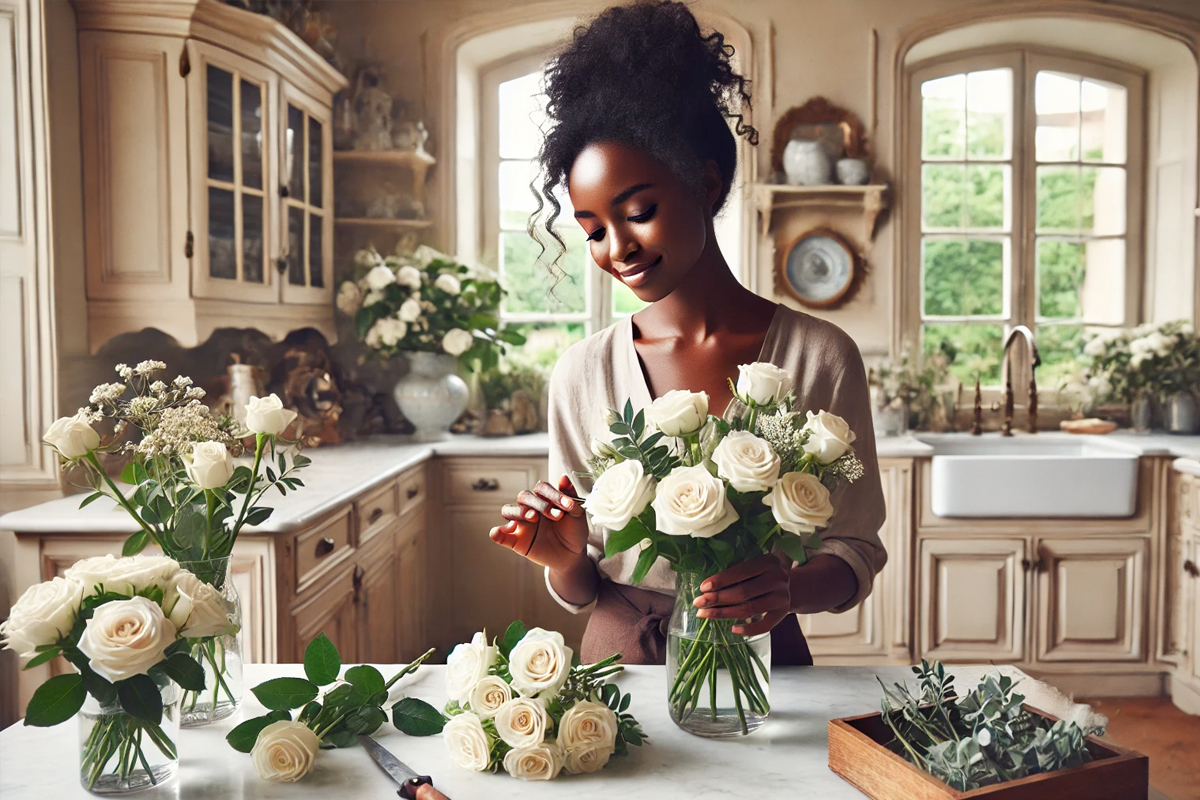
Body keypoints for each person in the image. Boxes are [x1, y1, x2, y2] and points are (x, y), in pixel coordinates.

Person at [489, 0, 886, 666]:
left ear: (706, 182)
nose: (618, 248)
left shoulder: (822, 357)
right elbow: (585, 583)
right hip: (621, 665)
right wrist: (560, 561)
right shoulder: (582, 373)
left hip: (762, 664)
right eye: (592, 231)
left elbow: (857, 553)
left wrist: (788, 587)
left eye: (638, 211)